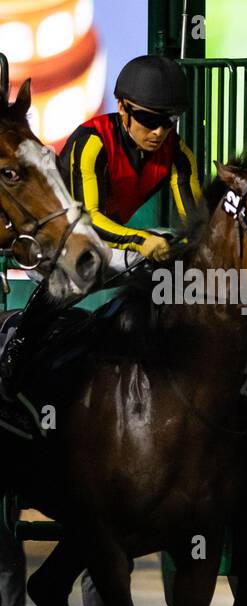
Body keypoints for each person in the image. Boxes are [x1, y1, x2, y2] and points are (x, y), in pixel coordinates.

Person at [0, 54, 202, 391]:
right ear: (122, 108)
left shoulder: (177, 153)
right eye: (149, 119)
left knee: (175, 258)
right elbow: (88, 220)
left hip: (107, 246)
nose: (158, 132)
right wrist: (142, 242)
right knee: (125, 255)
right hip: (58, 245)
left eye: (169, 121)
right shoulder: (91, 141)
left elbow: (196, 223)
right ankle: (19, 350)